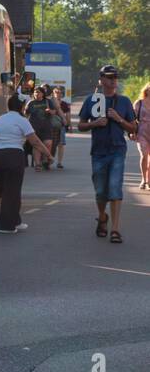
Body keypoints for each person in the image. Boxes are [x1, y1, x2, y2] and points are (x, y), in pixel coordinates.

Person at [77, 65, 137, 244]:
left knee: (115, 187)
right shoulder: (91, 100)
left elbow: (134, 127)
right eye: (109, 77)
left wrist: (119, 119)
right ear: (101, 80)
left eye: (115, 77)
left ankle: (115, 229)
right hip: (98, 152)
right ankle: (102, 217)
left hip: (118, 150)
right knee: (101, 191)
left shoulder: (124, 101)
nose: (113, 80)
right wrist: (94, 124)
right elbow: (80, 125)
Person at [0, 94, 52, 233]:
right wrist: (48, 154)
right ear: (22, 107)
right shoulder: (22, 121)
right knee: (12, 191)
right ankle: (5, 226)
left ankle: (15, 221)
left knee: (9, 190)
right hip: (13, 156)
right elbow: (35, 141)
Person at [25, 86, 54, 171]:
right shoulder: (31, 103)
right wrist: (25, 109)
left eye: (38, 92)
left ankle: (45, 160)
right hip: (34, 127)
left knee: (48, 143)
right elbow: (25, 114)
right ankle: (38, 164)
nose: (36, 94)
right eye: (35, 92)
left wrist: (50, 111)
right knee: (36, 145)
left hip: (46, 127)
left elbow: (54, 112)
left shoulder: (48, 101)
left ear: (43, 94)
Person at [134, 84, 150, 189]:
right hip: (142, 132)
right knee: (144, 155)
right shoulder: (139, 103)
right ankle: (143, 179)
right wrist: (131, 132)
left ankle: (149, 181)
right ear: (147, 91)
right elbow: (132, 118)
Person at [53, 85, 71, 169]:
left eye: (60, 93)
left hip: (61, 126)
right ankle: (47, 161)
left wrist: (69, 125)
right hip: (51, 126)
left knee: (61, 144)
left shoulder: (64, 104)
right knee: (50, 144)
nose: (58, 94)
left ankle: (59, 162)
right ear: (53, 93)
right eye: (56, 92)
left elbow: (68, 115)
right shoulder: (50, 103)